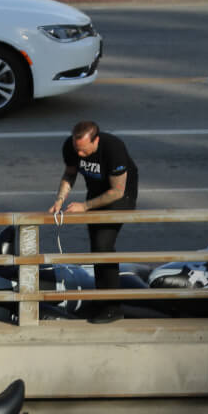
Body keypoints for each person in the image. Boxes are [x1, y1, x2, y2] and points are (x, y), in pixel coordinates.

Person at [46, 120, 139, 323]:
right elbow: (70, 174)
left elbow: (117, 191)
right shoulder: (71, 147)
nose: (79, 155)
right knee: (96, 249)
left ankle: (113, 307)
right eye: (76, 149)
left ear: (96, 140)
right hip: (96, 191)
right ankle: (101, 300)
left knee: (104, 245)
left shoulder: (113, 148)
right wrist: (60, 200)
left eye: (84, 151)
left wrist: (85, 206)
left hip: (121, 195)